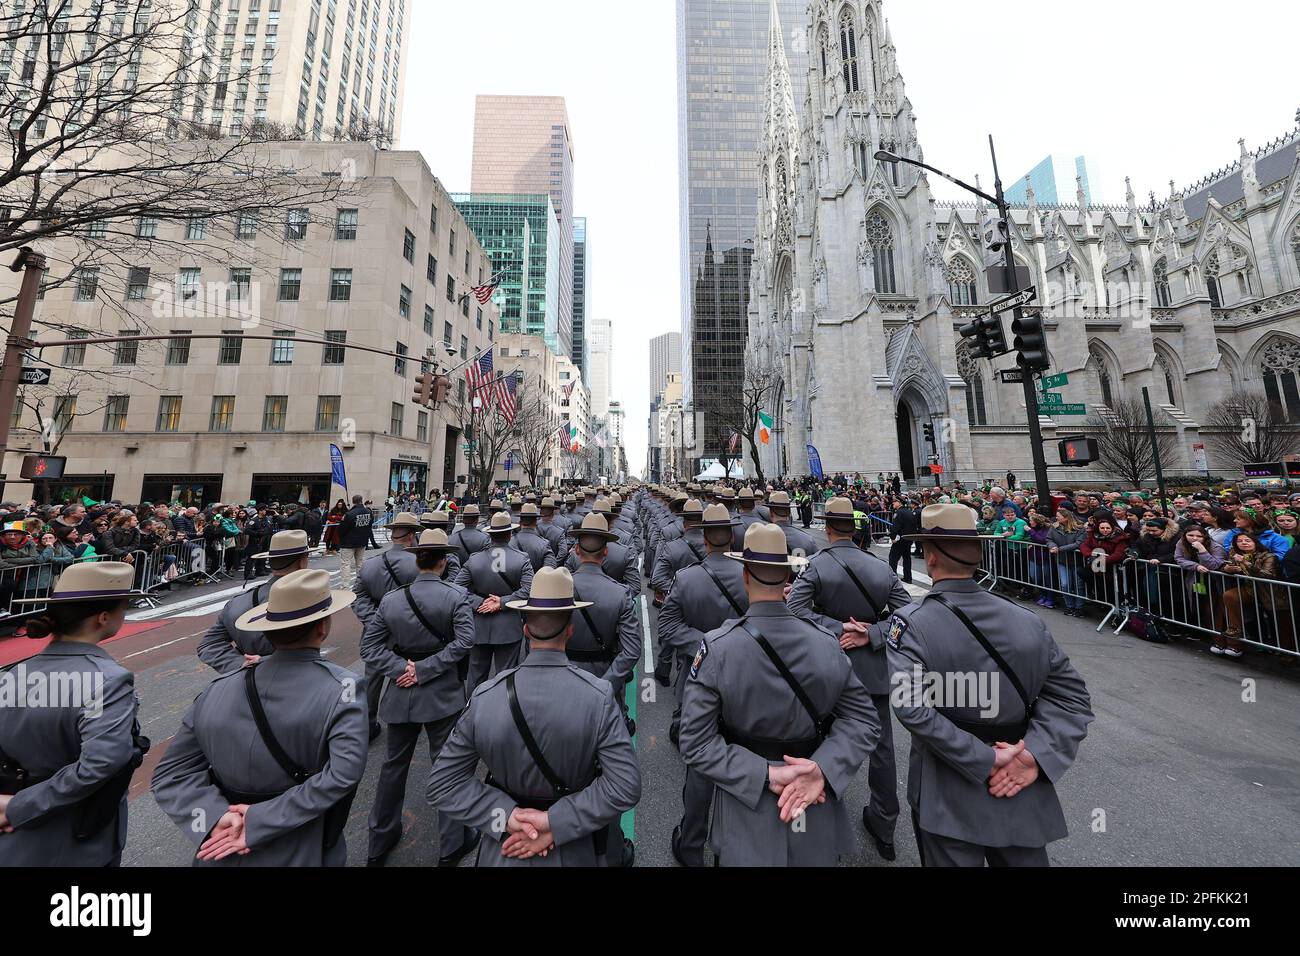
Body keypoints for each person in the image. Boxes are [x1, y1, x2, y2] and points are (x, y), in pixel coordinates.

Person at [884, 504, 1094, 866]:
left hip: (947, 784)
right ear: (978, 554)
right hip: (1021, 777)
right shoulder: (1028, 620)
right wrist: (1034, 754)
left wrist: (986, 758)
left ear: (930, 558)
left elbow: (911, 708)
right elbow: (1073, 700)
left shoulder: (912, 623)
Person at [679, 523, 879, 866]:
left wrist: (766, 774)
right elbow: (864, 721)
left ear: (745, 576)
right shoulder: (827, 643)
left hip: (746, 806)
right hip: (813, 801)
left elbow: (695, 743)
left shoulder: (718, 649)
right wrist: (823, 769)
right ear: (788, 578)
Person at [151, 569, 368, 866]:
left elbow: (171, 775)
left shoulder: (215, 690)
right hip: (301, 838)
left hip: (220, 845)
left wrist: (213, 821)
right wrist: (258, 821)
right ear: (322, 628)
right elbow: (343, 774)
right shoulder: (343, 687)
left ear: (266, 631)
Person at [428, 567, 642, 867]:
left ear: (525, 630)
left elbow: (443, 784)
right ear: (570, 629)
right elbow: (625, 786)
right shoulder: (599, 697)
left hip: (505, 846)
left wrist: (508, 816)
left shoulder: (485, 696)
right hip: (574, 847)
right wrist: (555, 822)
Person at [787, 497, 912, 860]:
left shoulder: (816, 566)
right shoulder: (880, 570)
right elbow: (910, 618)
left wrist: (836, 626)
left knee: (816, 741)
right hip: (872, 668)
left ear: (827, 527)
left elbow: (796, 612)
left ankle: (819, 818)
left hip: (826, 666)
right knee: (882, 749)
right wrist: (871, 632)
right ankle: (885, 825)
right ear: (855, 529)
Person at [0, 563, 149, 866]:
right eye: (123, 607)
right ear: (103, 617)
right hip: (71, 829)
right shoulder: (108, 680)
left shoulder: (13, 673)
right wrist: (18, 806)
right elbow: (101, 763)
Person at [360, 529, 478, 867]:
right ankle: (450, 844)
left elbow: (369, 648)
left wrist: (401, 668)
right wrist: (425, 669)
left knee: (393, 767)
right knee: (448, 765)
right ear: (444, 562)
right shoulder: (456, 596)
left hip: (401, 691)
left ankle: (378, 841)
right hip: (441, 690)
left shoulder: (392, 600)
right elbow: (463, 643)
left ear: (417, 559)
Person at [657, 503, 748, 866]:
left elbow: (667, 626)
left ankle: (692, 843)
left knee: (700, 762)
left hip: (697, 676)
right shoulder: (749, 573)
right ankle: (737, 843)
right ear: (729, 535)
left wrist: (704, 646)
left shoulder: (687, 578)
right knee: (744, 753)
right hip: (744, 676)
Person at [563, 512, 642, 866]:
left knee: (564, 764)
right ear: (606, 552)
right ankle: (609, 848)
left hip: (563, 683)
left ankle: (564, 836)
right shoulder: (620, 595)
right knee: (608, 772)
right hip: (606, 685)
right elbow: (632, 650)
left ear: (576, 550)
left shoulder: (555, 590)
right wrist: (606, 685)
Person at [197, 530, 314, 673]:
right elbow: (304, 652)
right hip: (298, 679)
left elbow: (208, 645)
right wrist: (263, 661)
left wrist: (241, 663)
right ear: (303, 561)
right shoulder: (310, 599)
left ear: (270, 561)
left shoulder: (237, 603)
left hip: (250, 683)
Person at [352, 512, 423, 741]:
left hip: (374, 631)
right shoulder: (420, 564)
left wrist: (374, 621)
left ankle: (368, 721)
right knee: (408, 673)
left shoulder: (370, 564)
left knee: (372, 678)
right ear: (411, 536)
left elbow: (358, 596)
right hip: (409, 630)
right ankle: (405, 718)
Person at [453, 511, 534, 694]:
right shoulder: (522, 558)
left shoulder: (474, 559)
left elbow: (457, 588)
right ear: (509, 534)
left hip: (478, 622)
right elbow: (530, 589)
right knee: (506, 677)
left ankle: (472, 712)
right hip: (509, 624)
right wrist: (503, 602)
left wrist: (479, 601)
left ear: (490, 534)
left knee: (476, 677)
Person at [336, 495, 375, 588]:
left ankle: (345, 586)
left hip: (348, 542)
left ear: (353, 502)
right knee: (360, 563)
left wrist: (342, 538)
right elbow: (370, 526)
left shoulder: (349, 514)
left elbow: (341, 529)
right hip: (362, 541)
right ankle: (360, 584)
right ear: (361, 501)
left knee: (345, 563)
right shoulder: (368, 512)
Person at [888, 497, 921, 584]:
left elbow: (896, 527)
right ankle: (908, 577)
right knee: (907, 558)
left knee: (893, 558)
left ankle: (893, 578)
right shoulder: (910, 512)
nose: (893, 503)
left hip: (900, 539)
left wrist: (893, 537)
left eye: (894, 502)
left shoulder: (899, 513)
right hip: (908, 538)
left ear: (899, 503)